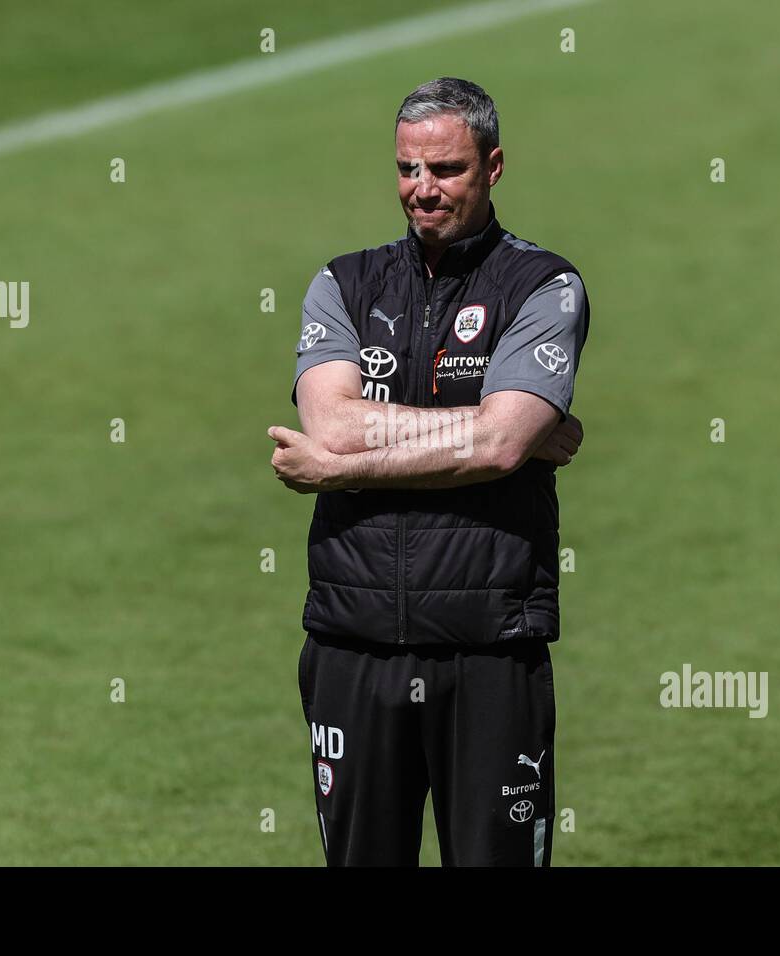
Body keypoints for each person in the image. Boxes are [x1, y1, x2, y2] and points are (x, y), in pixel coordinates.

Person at [268, 77, 589, 866]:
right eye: (409, 170)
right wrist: (484, 427)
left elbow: (501, 448)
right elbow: (330, 423)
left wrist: (346, 468)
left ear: (493, 165)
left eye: (445, 170)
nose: (423, 190)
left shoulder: (542, 287)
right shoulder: (343, 283)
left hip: (488, 649)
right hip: (352, 643)